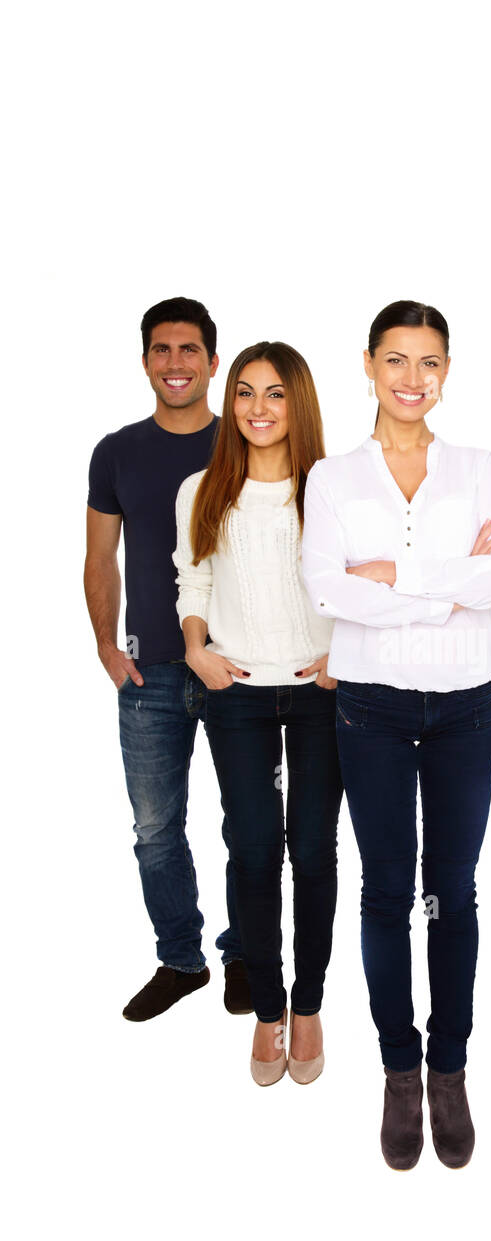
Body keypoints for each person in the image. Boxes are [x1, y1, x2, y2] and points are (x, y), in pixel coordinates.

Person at [302, 300, 491, 1168]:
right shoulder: (333, 477)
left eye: (428, 363)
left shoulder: (477, 468)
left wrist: (396, 575)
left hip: (467, 699)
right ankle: (400, 1070)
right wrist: (450, 583)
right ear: (368, 365)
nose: (411, 379)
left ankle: (449, 1066)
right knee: (387, 892)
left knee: (455, 890)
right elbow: (329, 591)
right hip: (371, 705)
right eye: (396, 361)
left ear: (447, 371)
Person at [174, 342, 343, 1087]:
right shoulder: (202, 488)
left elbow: (358, 585)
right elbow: (194, 578)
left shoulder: (332, 489)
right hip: (235, 689)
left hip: (320, 692)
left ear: (297, 404)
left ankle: (308, 1006)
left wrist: (344, 653)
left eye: (275, 395)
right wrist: (195, 648)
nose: (258, 409)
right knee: (252, 850)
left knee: (311, 849)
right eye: (244, 392)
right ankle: (268, 1010)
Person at [85, 297, 250, 1022]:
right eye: (162, 349)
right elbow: (99, 558)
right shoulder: (116, 451)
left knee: (248, 822)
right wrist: (105, 647)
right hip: (150, 672)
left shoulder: (245, 439)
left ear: (214, 362)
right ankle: (181, 960)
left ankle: (245, 955)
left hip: (239, 665)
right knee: (156, 828)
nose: (175, 362)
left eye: (190, 349)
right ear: (146, 359)